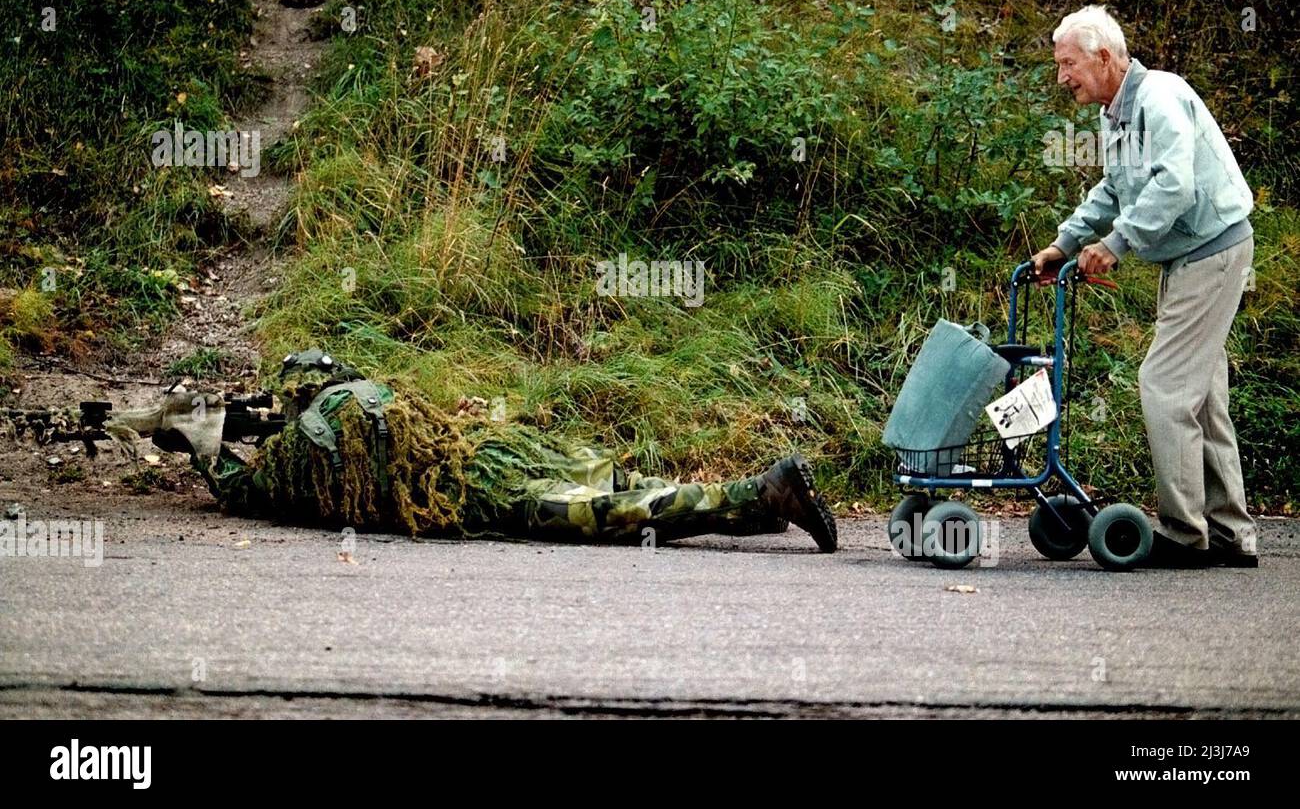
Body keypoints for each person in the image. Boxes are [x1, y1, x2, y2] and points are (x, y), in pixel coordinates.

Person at [124, 350, 838, 553]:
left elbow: (244, 492)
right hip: (492, 448)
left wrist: (202, 444)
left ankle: (761, 494)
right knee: (616, 476)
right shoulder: (375, 393)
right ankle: (764, 511)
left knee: (613, 513)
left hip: (476, 493)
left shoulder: (298, 453)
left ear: (292, 396)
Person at [1032, 5, 1257, 568]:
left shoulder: (1159, 97)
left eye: (1068, 64)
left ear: (1104, 57)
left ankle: (1185, 535)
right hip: (1188, 257)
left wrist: (1116, 244)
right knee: (1201, 396)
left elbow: (1174, 183)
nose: (1062, 77)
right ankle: (1231, 535)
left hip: (1212, 250)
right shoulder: (1116, 113)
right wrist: (1066, 242)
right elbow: (1113, 188)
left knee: (1163, 384)